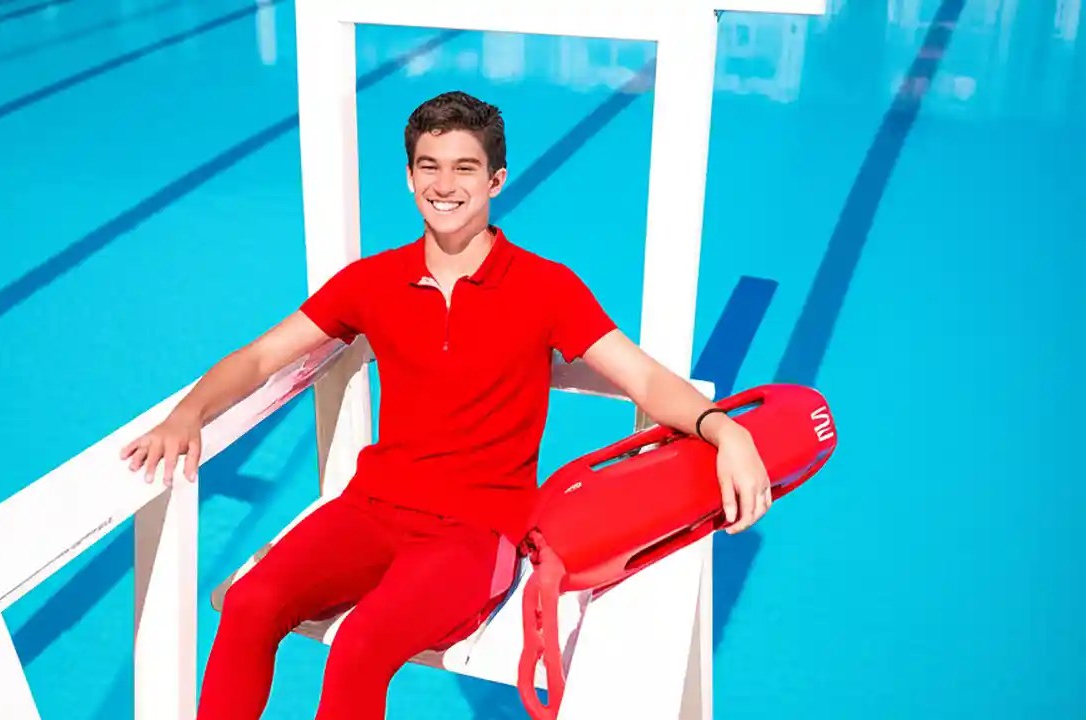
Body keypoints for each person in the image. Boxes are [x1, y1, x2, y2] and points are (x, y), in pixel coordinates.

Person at [120, 91, 772, 719]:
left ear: (496, 179)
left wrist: (725, 431)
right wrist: (190, 412)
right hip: (371, 509)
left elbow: (645, 381)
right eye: (429, 166)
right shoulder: (373, 282)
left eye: (465, 167)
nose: (445, 183)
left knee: (361, 645)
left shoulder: (547, 287)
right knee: (250, 602)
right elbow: (262, 358)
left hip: (476, 531)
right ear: (408, 177)